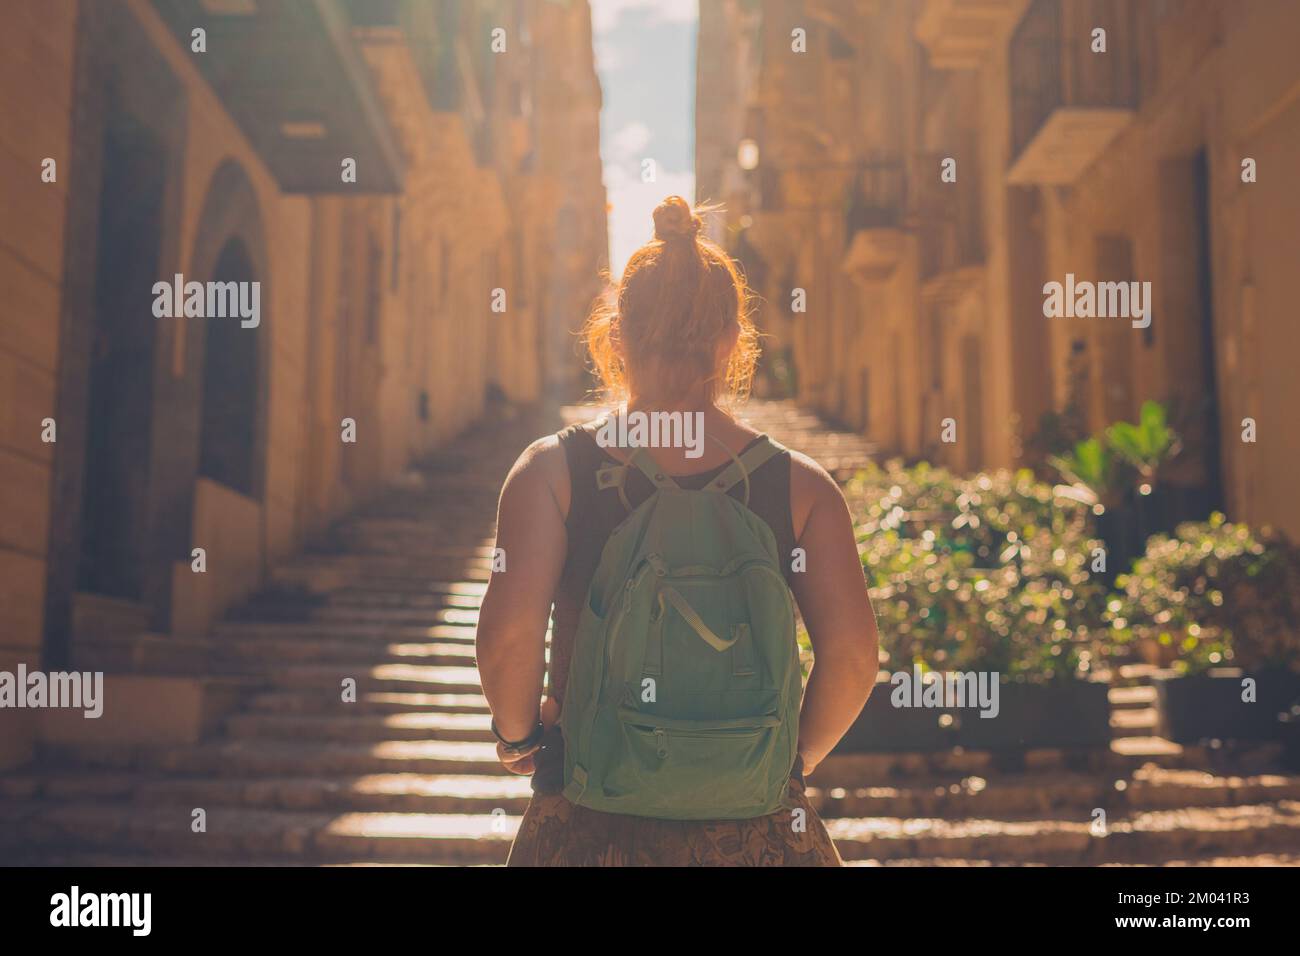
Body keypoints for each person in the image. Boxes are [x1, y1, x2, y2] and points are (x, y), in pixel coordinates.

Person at [475, 196, 879, 866]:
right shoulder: (803, 487)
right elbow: (856, 659)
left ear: (617, 333)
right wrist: (776, 766)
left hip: (588, 817)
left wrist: (521, 740)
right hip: (755, 832)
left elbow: (510, 637)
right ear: (730, 340)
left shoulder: (553, 471)